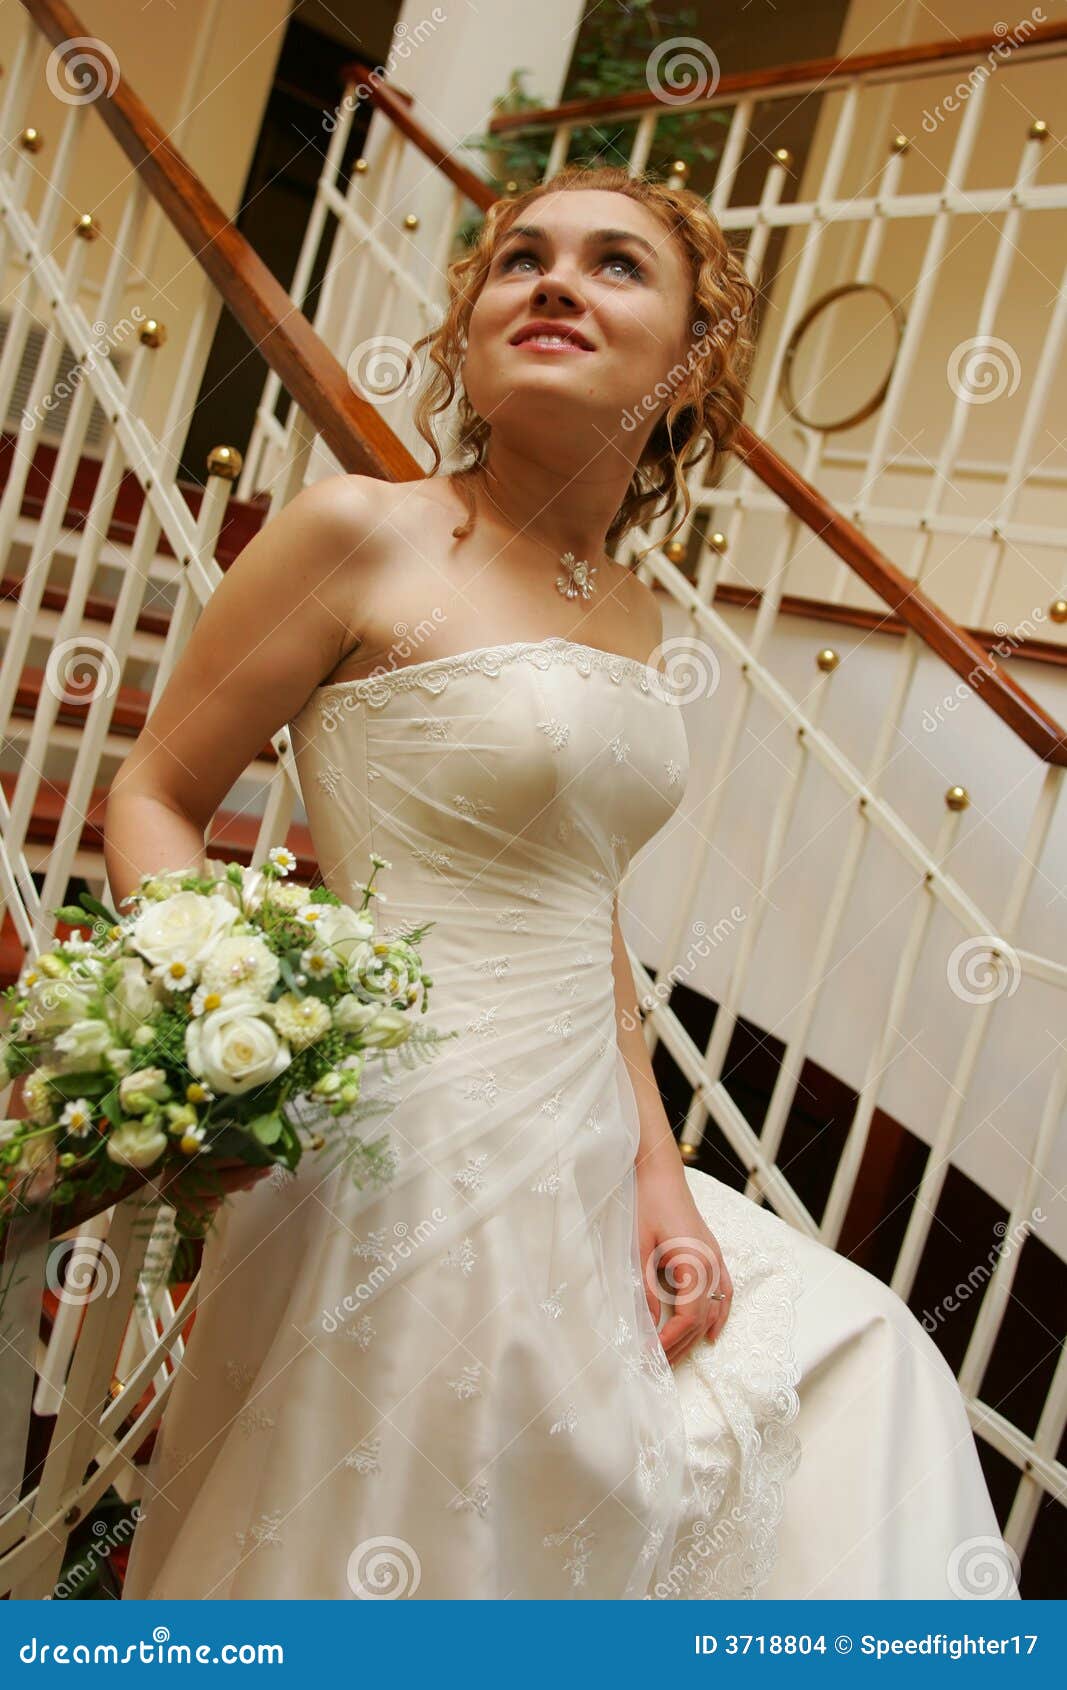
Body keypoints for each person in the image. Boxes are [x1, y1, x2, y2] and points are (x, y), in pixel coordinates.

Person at [109, 166, 1016, 1600]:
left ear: (687, 365)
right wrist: (221, 1013)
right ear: (465, 333)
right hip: (396, 1125)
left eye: (614, 267)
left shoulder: (638, 610)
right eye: (520, 258)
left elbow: (583, 906)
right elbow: (153, 790)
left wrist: (661, 1177)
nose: (552, 280)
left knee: (860, 1356)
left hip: (584, 1127)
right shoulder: (358, 531)